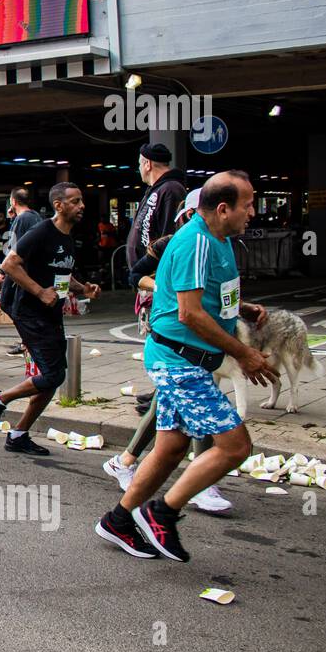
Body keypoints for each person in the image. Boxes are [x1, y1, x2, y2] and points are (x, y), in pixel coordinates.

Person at [96, 171, 276, 561]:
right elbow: (190, 314)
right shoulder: (195, 241)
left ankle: (118, 521)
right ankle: (162, 514)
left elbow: (203, 297)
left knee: (172, 446)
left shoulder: (220, 239)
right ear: (223, 208)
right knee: (235, 445)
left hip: (185, 358)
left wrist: (240, 309)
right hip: (178, 361)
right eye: (248, 204)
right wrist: (244, 354)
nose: (253, 212)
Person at [102, 188, 232, 514]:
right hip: (176, 339)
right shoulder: (180, 243)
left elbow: (217, 294)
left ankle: (126, 487)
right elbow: (135, 275)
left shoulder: (217, 244)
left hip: (195, 343)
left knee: (170, 422)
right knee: (219, 431)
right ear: (191, 214)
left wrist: (240, 310)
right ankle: (178, 495)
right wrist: (163, 285)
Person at [0, 182, 100, 454]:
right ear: (59, 205)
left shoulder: (67, 237)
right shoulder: (42, 231)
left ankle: (19, 434)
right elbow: (9, 264)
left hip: (49, 311)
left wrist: (84, 289)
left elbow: (61, 274)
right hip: (28, 310)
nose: (82, 206)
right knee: (53, 374)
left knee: (52, 376)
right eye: (75, 201)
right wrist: (38, 291)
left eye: (82, 201)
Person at [126, 142, 187, 268]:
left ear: (147, 164)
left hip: (157, 277)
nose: (139, 169)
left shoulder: (171, 189)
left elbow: (170, 236)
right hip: (145, 277)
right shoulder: (155, 190)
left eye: (139, 164)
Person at [0, 187, 41, 355]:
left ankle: (28, 341)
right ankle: (29, 340)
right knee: (21, 307)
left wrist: (2, 271)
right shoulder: (35, 217)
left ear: (13, 202)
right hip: (32, 269)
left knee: (9, 304)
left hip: (19, 270)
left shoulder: (22, 220)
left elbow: (13, 246)